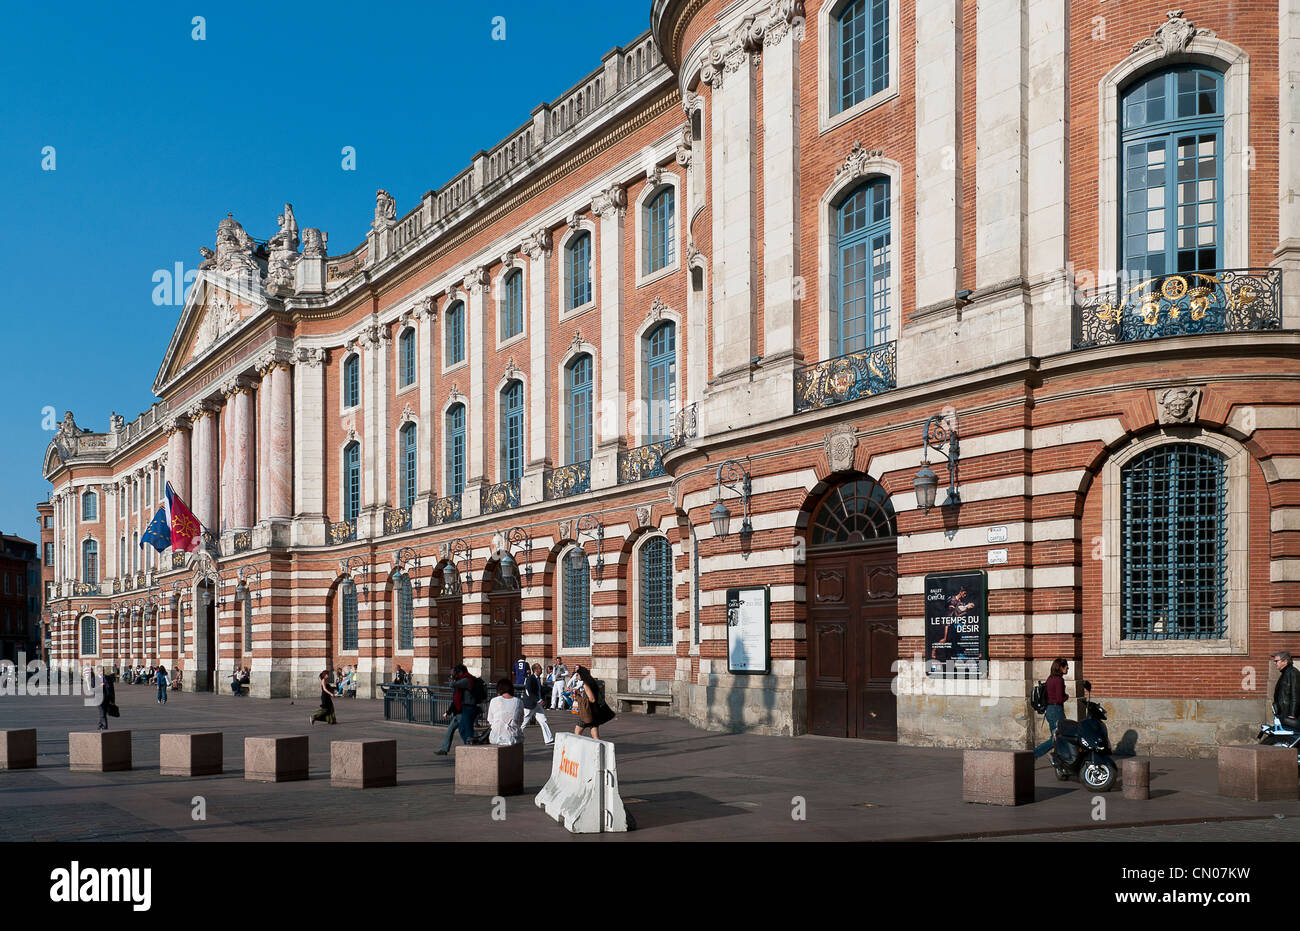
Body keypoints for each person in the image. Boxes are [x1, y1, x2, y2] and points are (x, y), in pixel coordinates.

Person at [1033, 657, 1070, 759]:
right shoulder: (1059, 680)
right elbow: (1059, 699)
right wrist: (1066, 696)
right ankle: (1033, 754)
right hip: (1056, 710)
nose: (1068, 668)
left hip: (1050, 710)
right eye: (1066, 666)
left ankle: (1061, 758)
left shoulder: (1050, 678)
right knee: (1057, 737)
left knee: (1058, 736)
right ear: (1061, 667)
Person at [436, 664, 478, 755]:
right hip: (460, 710)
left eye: (455, 672)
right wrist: (448, 711)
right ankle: (444, 749)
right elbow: (455, 699)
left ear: (460, 672)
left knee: (465, 730)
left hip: (463, 710)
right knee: (453, 730)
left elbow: (452, 685)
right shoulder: (464, 680)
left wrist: (452, 679)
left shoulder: (466, 680)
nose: (453, 674)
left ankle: (475, 744)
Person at [572, 665, 613, 740]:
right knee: (595, 735)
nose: (576, 676)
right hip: (595, 711)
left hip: (588, 712)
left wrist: (579, 698)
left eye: (577, 674)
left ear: (582, 674)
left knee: (577, 732)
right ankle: (598, 749)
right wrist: (580, 693)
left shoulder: (586, 685)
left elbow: (592, 699)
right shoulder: (592, 682)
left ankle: (578, 749)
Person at [521, 663, 554, 745]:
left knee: (543, 720)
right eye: (540, 668)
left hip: (537, 704)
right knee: (523, 723)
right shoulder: (530, 678)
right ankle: (513, 737)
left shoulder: (537, 679)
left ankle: (549, 740)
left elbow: (539, 689)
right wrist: (538, 700)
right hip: (530, 704)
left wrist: (549, 688)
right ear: (535, 670)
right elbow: (529, 691)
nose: (541, 669)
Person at [487, 679, 525, 746]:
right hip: (514, 737)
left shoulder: (494, 701)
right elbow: (520, 721)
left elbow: (490, 720)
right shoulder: (519, 701)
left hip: (496, 737)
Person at [1273, 651, 1300, 728]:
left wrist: (1292, 714)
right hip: (1283, 713)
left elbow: (1296, 695)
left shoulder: (1293, 673)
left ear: (1285, 661)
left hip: (1289, 715)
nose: (1274, 663)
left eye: (1276, 661)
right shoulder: (1285, 673)